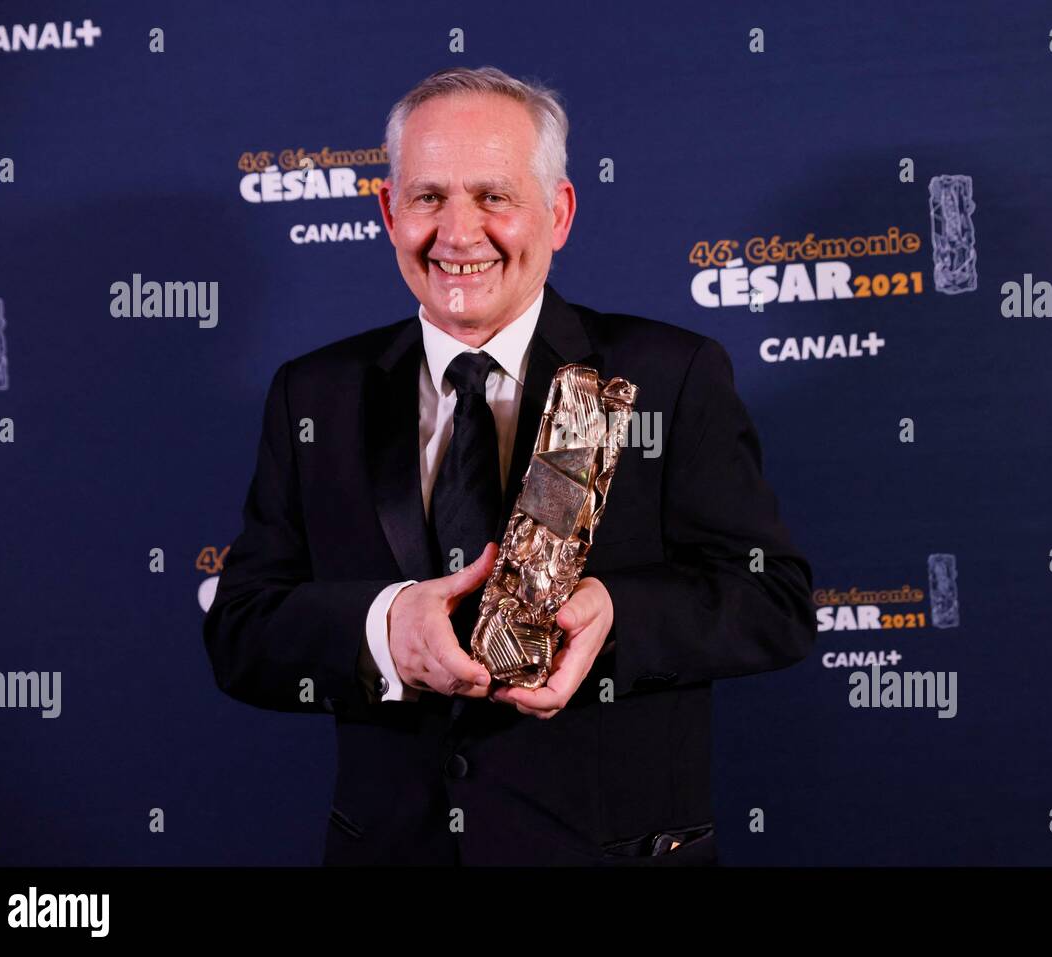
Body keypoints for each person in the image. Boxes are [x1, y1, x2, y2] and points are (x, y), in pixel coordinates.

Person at [203, 65, 816, 866]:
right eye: (427, 197)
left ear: (557, 213)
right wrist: (383, 630)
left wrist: (615, 615)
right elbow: (243, 628)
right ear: (388, 213)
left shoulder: (672, 373)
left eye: (494, 196)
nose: (458, 234)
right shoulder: (313, 393)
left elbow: (773, 599)